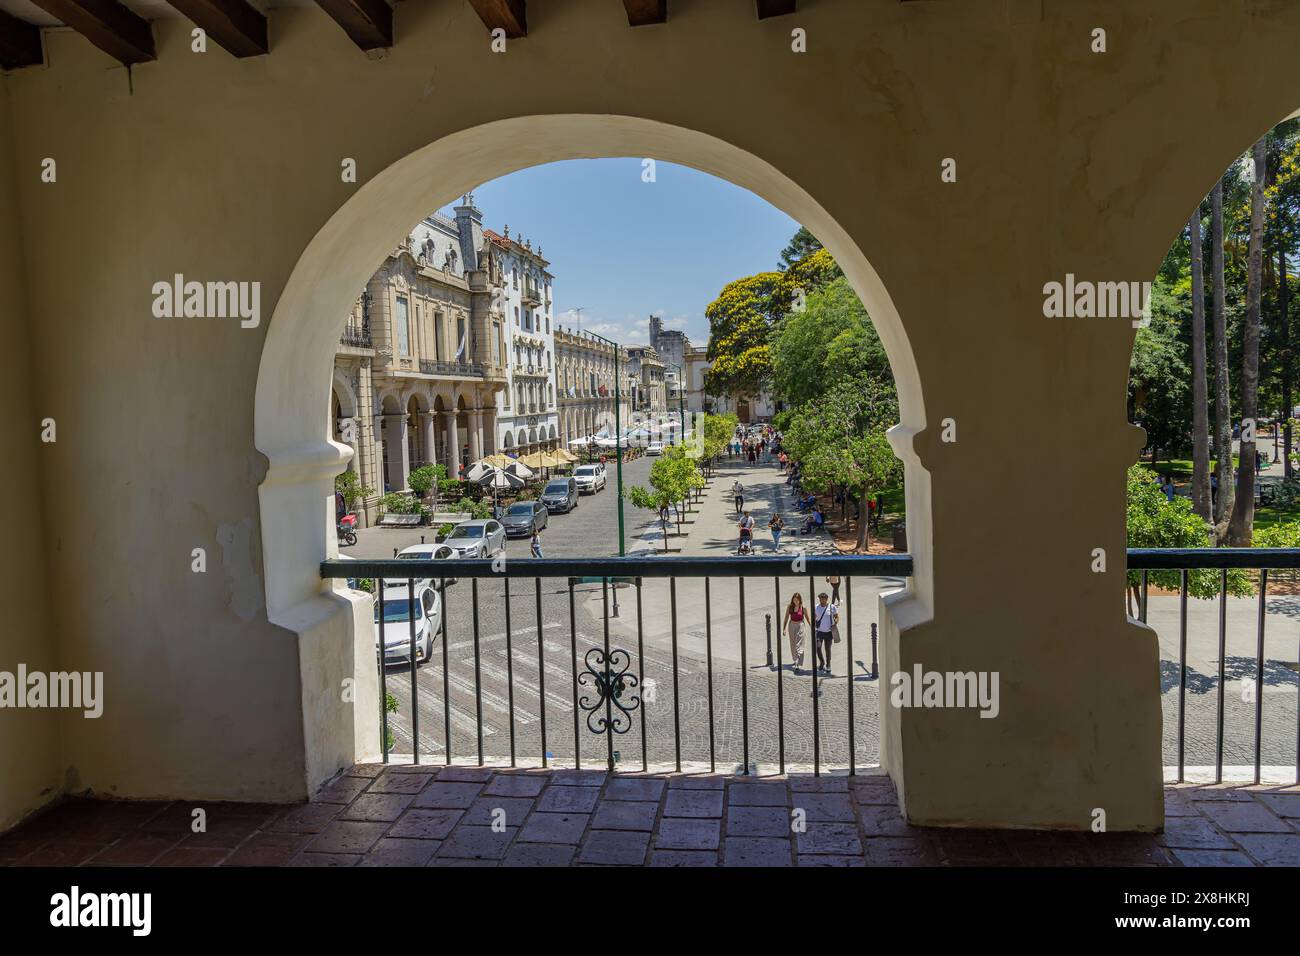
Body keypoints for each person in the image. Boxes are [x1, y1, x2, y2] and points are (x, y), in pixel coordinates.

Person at [812, 592, 839, 675]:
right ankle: (822, 662)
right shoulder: (816, 607)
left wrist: (835, 622)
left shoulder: (832, 607)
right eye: (820, 598)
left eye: (823, 598)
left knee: (828, 649)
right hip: (819, 631)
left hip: (829, 632)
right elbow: (814, 617)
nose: (822, 600)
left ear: (826, 599)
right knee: (818, 647)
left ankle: (828, 664)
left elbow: (836, 616)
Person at [782, 592, 807, 671]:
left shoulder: (803, 607)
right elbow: (786, 618)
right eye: (794, 600)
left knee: (798, 644)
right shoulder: (790, 607)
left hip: (800, 625)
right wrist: (784, 629)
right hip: (791, 625)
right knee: (793, 644)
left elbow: (808, 618)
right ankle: (795, 659)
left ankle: (797, 662)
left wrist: (812, 627)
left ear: (800, 600)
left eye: (797, 600)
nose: (795, 602)